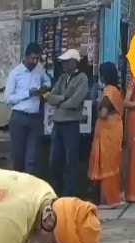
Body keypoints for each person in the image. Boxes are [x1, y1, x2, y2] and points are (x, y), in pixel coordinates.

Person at [45, 49, 89, 197]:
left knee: (70, 160)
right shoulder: (62, 78)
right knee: (54, 160)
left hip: (71, 123)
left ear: (74, 62)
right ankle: (57, 191)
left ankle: (68, 194)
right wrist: (63, 98)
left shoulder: (82, 78)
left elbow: (75, 101)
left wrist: (60, 101)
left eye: (66, 61)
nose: (63, 64)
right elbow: (50, 97)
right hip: (57, 123)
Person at [5, 42, 50, 175]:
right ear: (26, 57)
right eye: (33, 58)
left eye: (37, 58)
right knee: (18, 157)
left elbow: (47, 81)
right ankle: (18, 182)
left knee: (32, 159)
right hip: (19, 117)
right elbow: (8, 99)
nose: (35, 61)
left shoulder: (39, 68)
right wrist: (28, 93)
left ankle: (30, 184)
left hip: (35, 119)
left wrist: (44, 88)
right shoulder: (15, 73)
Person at [88, 62, 124, 208]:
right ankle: (110, 197)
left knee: (106, 164)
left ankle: (108, 199)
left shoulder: (108, 92)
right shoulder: (117, 90)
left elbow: (103, 114)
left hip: (108, 132)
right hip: (115, 129)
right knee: (111, 163)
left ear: (103, 76)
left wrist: (96, 105)